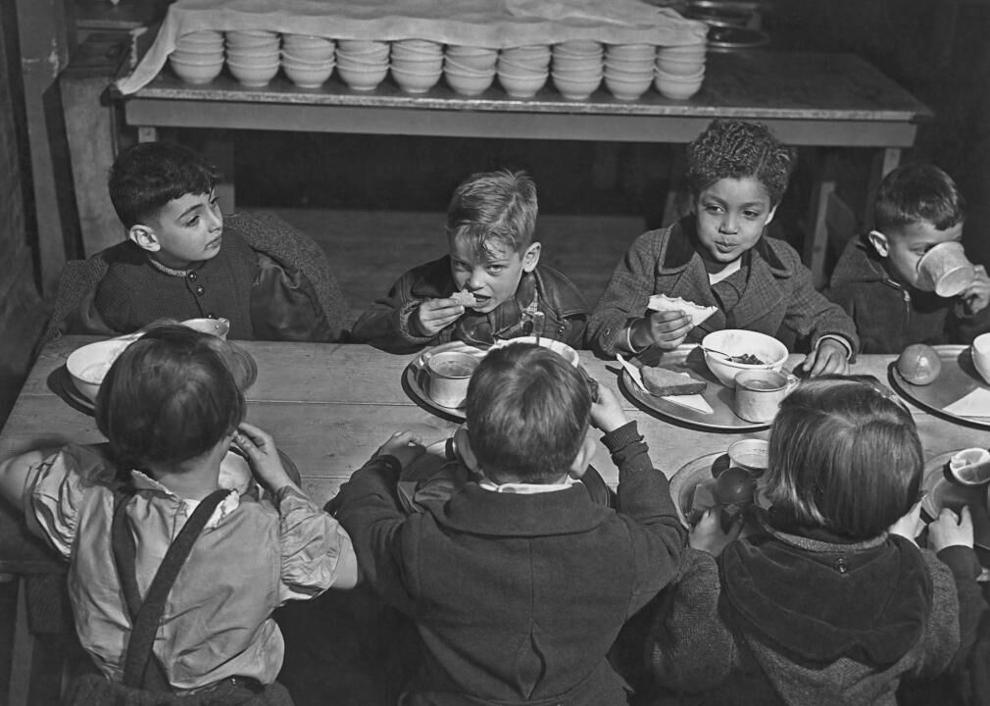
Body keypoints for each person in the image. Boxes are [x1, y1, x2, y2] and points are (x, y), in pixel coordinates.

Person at [0, 324, 358, 703]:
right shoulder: (270, 536)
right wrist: (282, 483)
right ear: (230, 434)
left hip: (119, 693)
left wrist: (110, 453)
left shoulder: (83, 501)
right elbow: (348, 569)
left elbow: (11, 471)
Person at [333, 343, 686, 705]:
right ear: (582, 458)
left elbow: (361, 520)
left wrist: (383, 465)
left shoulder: (422, 545)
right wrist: (625, 439)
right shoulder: (623, 550)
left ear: (465, 450)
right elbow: (667, 535)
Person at [646, 377, 982, 706]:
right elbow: (944, 657)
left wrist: (701, 560)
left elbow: (681, 668)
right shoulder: (924, 580)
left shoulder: (732, 579)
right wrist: (944, 556)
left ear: (776, 483)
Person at [588, 120, 858, 376]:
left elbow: (828, 316)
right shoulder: (652, 253)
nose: (729, 227)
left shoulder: (783, 266)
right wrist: (641, 332)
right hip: (663, 392)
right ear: (693, 202)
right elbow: (602, 325)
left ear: (771, 212)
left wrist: (833, 345)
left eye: (749, 213)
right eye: (715, 209)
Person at [51, 141, 349, 341]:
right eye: (193, 220)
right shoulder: (121, 289)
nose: (217, 223)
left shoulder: (240, 252)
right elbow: (96, 360)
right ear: (147, 238)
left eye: (214, 204)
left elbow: (296, 335)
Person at [350, 169, 587, 353]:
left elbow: (579, 357)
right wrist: (411, 324)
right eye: (461, 264)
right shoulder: (420, 288)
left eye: (494, 267)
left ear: (529, 258)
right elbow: (362, 331)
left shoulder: (560, 309)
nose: (474, 282)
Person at [827, 163, 990, 353]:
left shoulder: (957, 287)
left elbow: (965, 352)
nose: (943, 261)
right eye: (924, 250)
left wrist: (978, 311)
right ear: (882, 245)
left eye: (952, 244)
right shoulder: (853, 288)